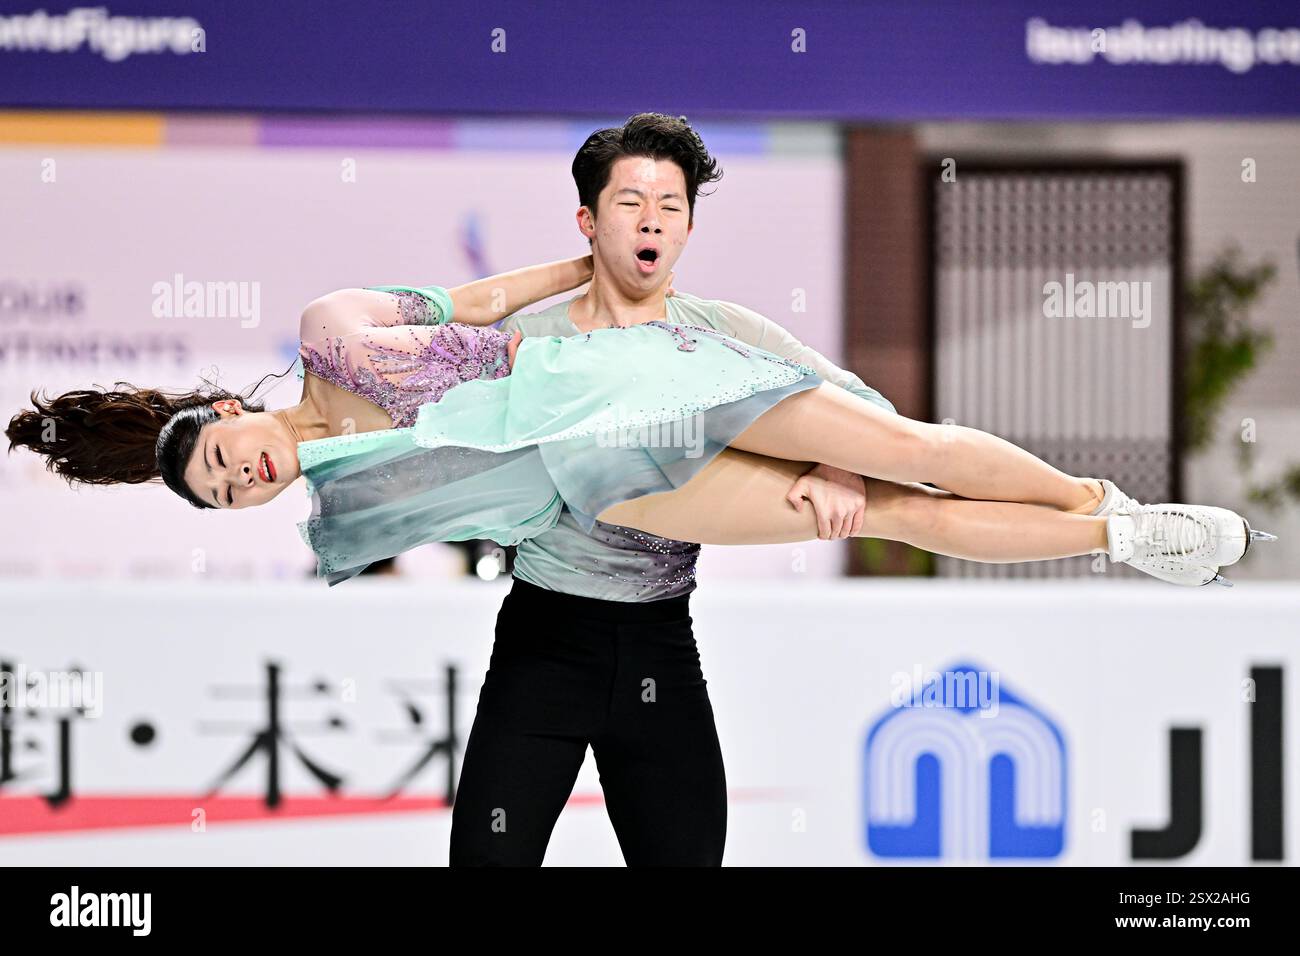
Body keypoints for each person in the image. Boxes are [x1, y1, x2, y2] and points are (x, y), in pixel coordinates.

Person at [5, 115, 1274, 867]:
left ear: (231, 413)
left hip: (609, 386)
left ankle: (1111, 511)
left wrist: (598, 256)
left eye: (227, 458)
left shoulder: (334, 328)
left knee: (903, 455)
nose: (249, 479)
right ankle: (1109, 529)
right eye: (231, 498)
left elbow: (488, 303)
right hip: (597, 493)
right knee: (882, 508)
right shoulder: (350, 509)